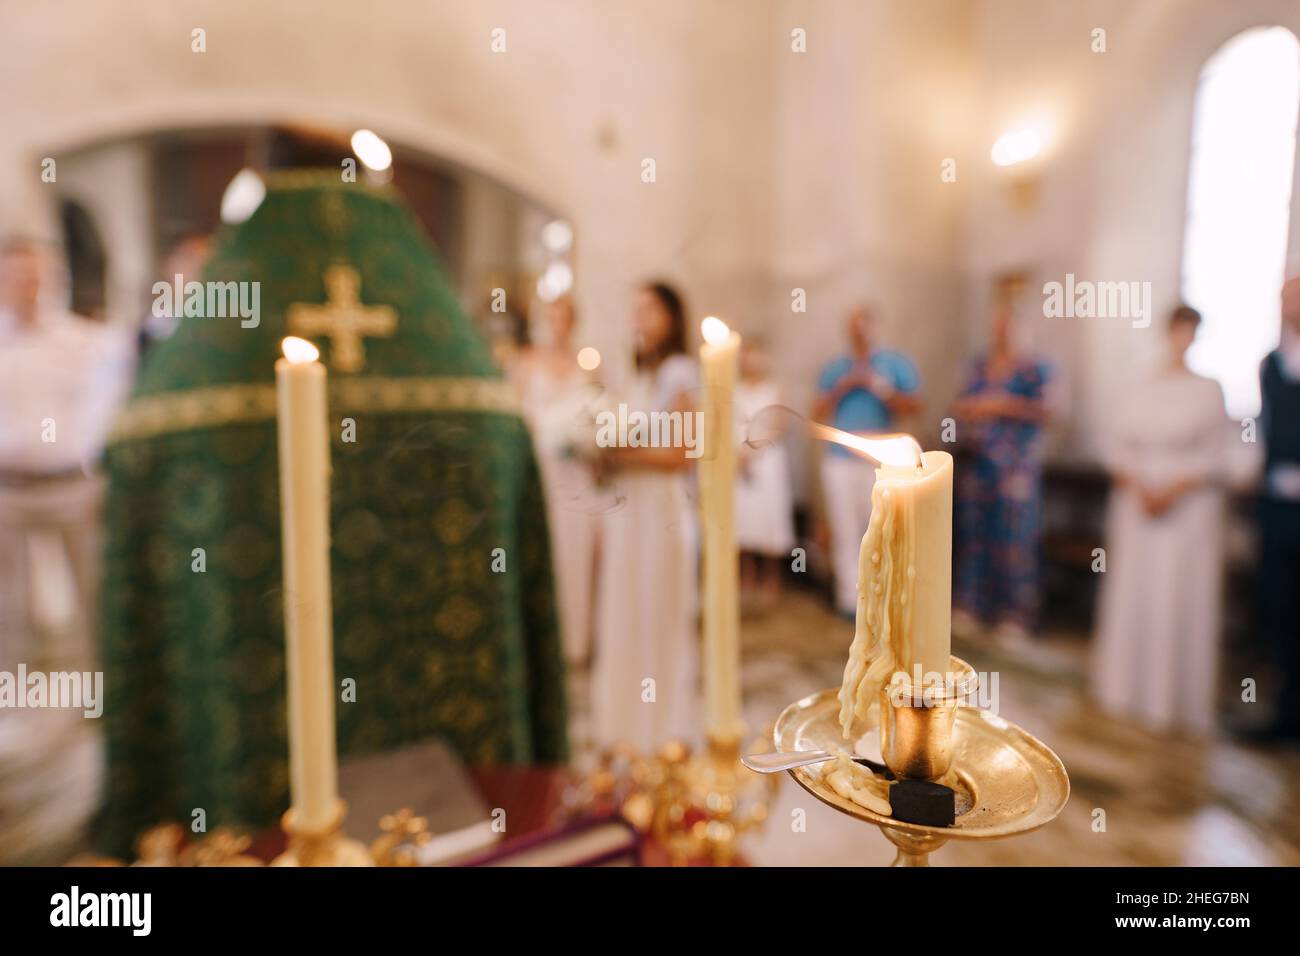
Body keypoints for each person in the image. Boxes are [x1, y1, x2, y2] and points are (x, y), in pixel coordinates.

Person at [96, 131, 568, 857]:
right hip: (458, 772)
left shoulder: (211, 350)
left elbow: (131, 456)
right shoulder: (445, 345)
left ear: (263, 167)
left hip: (253, 743)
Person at [0, 236, 133, 863]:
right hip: (6, 484)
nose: (26, 284)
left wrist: (75, 453)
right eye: (15, 275)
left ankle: (100, 698)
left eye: (36, 273)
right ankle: (14, 709)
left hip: (69, 482)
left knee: (91, 592)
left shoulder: (86, 340)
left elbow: (101, 406)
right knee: (9, 603)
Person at [1091, 305, 1228, 734]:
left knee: (1176, 592)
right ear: (1168, 331)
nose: (1182, 337)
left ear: (1197, 335)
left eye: (1190, 331)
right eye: (1178, 329)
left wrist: (1175, 487)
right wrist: (1135, 480)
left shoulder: (1209, 389)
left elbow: (1218, 450)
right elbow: (1113, 441)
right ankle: (1125, 689)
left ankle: (1170, 699)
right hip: (1136, 500)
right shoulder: (1139, 384)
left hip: (1186, 506)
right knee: (1137, 590)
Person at [589, 281, 699, 751]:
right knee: (625, 609)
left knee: (658, 609)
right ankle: (625, 726)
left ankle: (661, 729)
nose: (639, 319)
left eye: (649, 309)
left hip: (661, 510)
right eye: (635, 310)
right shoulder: (636, 380)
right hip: (629, 512)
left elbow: (682, 453)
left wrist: (621, 452)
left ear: (672, 317)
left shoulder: (680, 372)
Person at [951, 295, 1055, 644]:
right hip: (977, 462)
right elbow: (961, 402)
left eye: (1008, 325)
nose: (1001, 331)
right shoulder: (980, 365)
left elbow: (1050, 410)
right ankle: (971, 605)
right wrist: (972, 408)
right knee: (974, 534)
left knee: (1014, 540)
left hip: (1016, 468)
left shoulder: (1036, 368)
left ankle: (1015, 615)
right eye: (996, 325)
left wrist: (1003, 404)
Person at [509, 296, 599, 666]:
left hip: (576, 471)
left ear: (574, 321)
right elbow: (514, 414)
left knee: (576, 553)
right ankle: (538, 642)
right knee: (541, 546)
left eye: (565, 317)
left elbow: (598, 412)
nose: (558, 324)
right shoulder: (527, 361)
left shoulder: (589, 363)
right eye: (552, 317)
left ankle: (574, 642)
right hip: (541, 467)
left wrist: (586, 438)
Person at [813, 306, 920, 616]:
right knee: (845, 530)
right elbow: (817, 410)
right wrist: (844, 386)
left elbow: (913, 405)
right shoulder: (836, 368)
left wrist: (878, 386)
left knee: (880, 530)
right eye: (853, 327)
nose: (859, 332)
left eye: (864, 326)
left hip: (879, 460)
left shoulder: (894, 364)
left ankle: (883, 598)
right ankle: (850, 600)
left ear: (874, 328)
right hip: (840, 461)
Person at [1252, 274, 1300, 743]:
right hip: (1278, 509)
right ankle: (1283, 718)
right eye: (1285, 297)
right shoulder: (1272, 364)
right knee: (1280, 611)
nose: (1290, 305)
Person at [735, 336, 795, 604]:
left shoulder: (774, 390)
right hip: (740, 460)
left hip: (768, 459)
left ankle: (771, 580)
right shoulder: (735, 390)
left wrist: (756, 448)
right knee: (744, 520)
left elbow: (778, 425)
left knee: (770, 518)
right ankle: (746, 578)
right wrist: (740, 452)